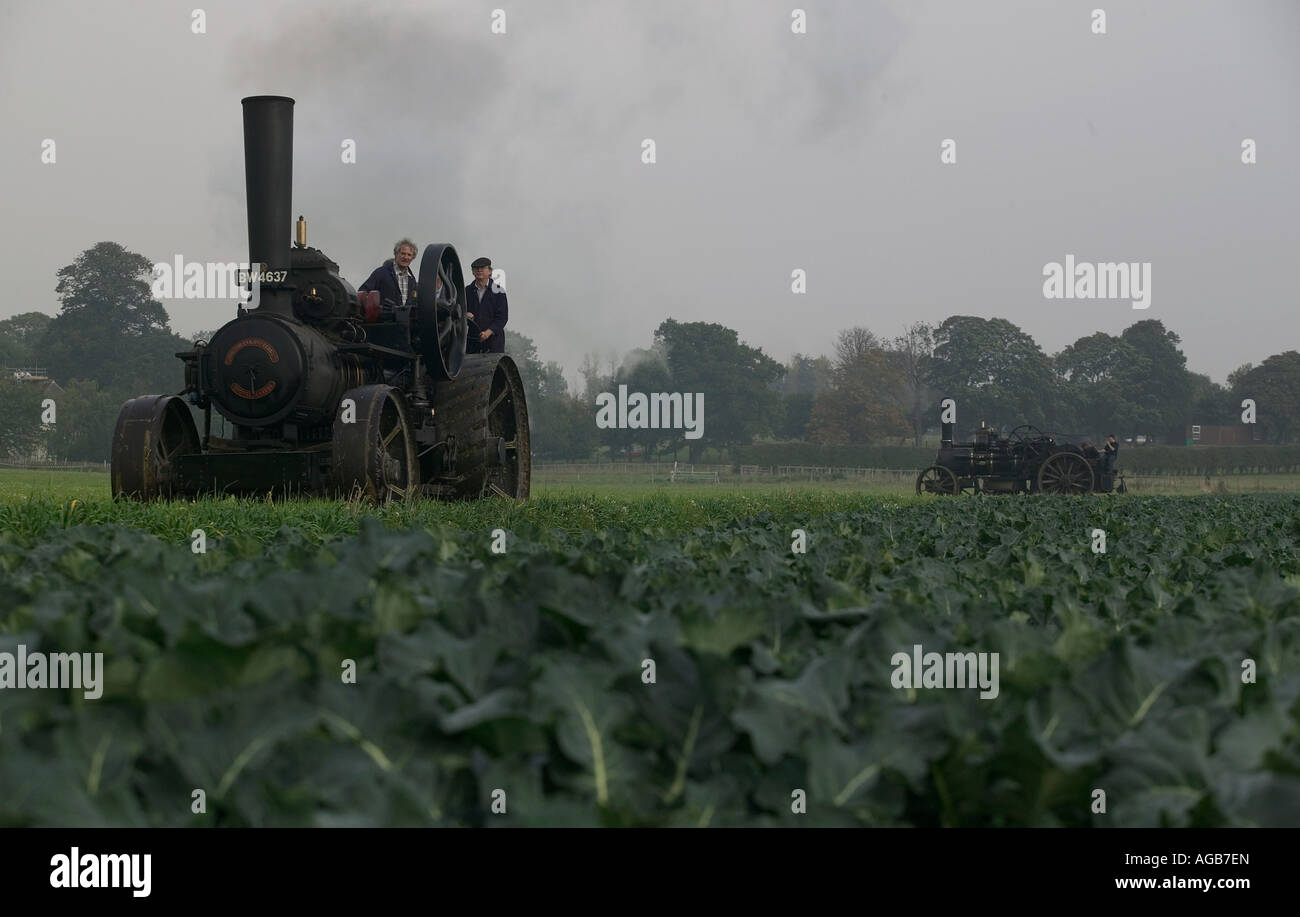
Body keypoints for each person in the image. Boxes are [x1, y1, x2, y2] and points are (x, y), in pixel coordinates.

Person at [358, 239, 420, 308]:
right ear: (396, 254)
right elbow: (362, 293)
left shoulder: (413, 281)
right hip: (383, 318)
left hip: (405, 318)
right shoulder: (381, 273)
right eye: (403, 253)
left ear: (412, 258)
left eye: (409, 255)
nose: (406, 257)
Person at [466, 256, 507, 353]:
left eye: (483, 268)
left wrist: (488, 332)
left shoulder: (499, 291)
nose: (479, 270)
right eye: (476, 268)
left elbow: (502, 317)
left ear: (490, 271)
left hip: (494, 342)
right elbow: (458, 312)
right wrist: (465, 314)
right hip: (472, 341)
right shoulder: (467, 291)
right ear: (472, 272)